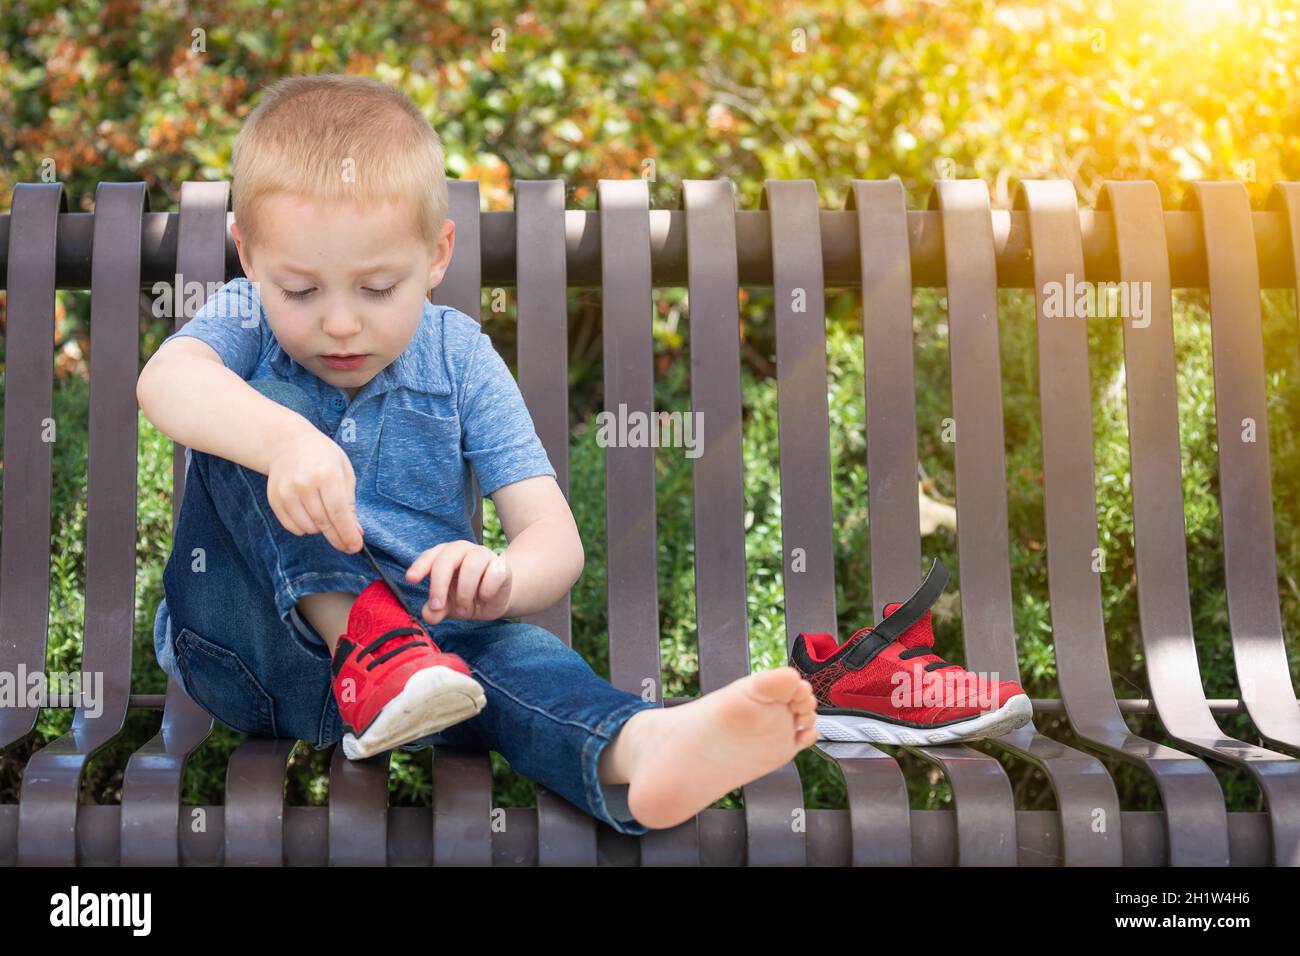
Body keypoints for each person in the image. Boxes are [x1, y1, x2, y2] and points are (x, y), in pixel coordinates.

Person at [138, 73, 819, 836]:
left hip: (428, 668)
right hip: (248, 650)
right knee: (254, 411)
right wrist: (287, 442)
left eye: (377, 287)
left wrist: (502, 579)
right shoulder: (244, 318)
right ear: (249, 255)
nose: (338, 322)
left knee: (521, 655)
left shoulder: (459, 356)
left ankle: (645, 743)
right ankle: (362, 639)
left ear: (436, 255)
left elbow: (554, 541)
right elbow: (167, 382)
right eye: (300, 290)